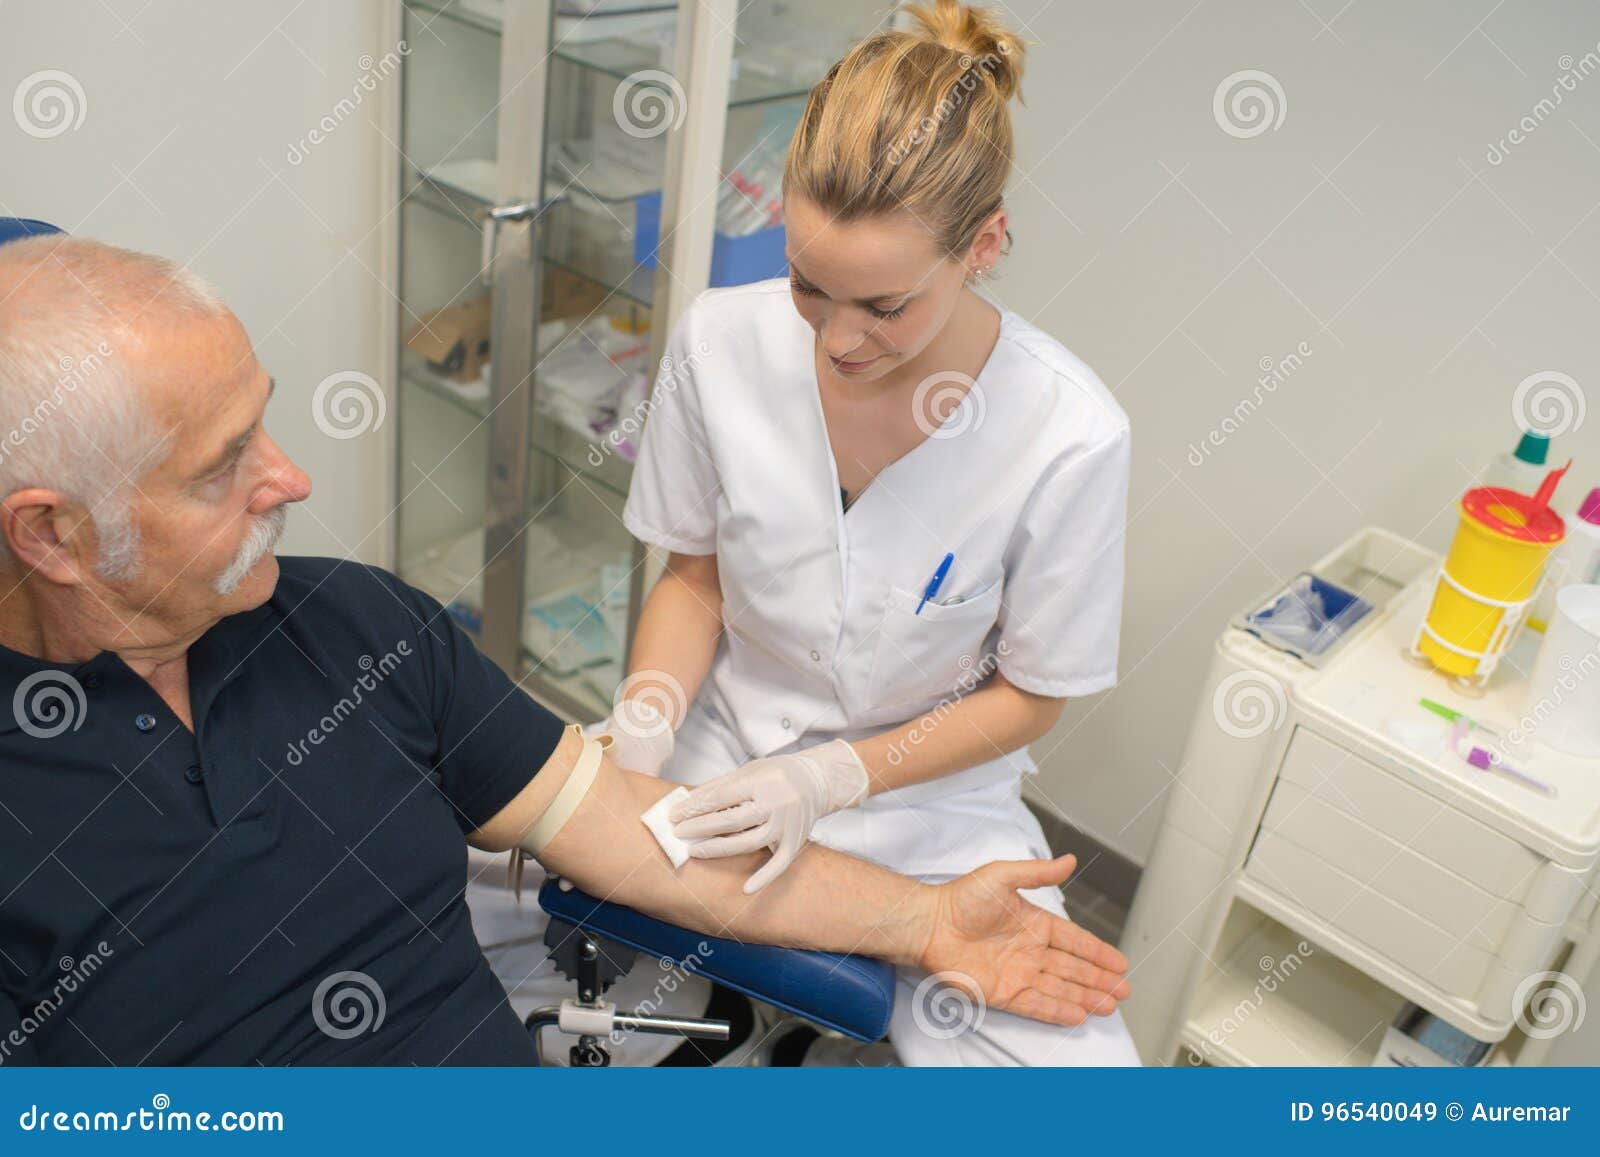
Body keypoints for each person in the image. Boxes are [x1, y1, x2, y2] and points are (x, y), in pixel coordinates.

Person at [0, 231, 1129, 1065]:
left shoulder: (359, 630)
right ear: (52, 531)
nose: (290, 477)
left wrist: (928, 918)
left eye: (267, 420)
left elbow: (633, 839)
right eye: (222, 463)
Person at [585, 0, 1141, 1066]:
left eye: (884, 305)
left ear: (984, 244)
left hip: (929, 809)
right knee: (551, 1002)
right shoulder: (720, 340)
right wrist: (643, 730)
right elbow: (693, 576)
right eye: (807, 284)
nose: (837, 339)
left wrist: (831, 778)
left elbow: (1031, 692)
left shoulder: (1068, 433)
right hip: (717, 754)